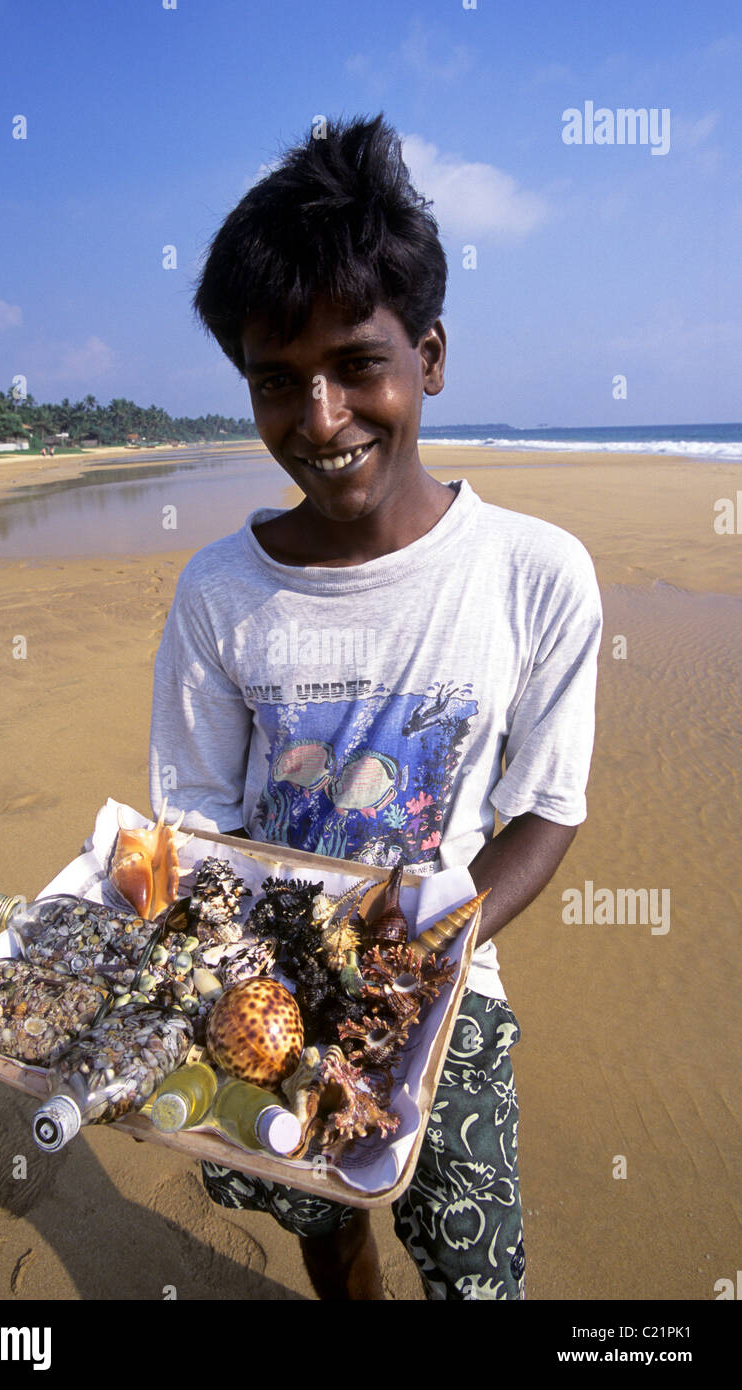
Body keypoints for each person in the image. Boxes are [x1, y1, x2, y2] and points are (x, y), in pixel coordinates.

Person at [149, 115, 603, 1300]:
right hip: (268, 981)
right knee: (315, 1211)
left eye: (356, 363)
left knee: (471, 1261)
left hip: (447, 984)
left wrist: (440, 929)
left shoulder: (533, 574)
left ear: (429, 355)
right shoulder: (219, 591)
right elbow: (193, 810)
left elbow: (544, 812)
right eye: (275, 382)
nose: (320, 419)